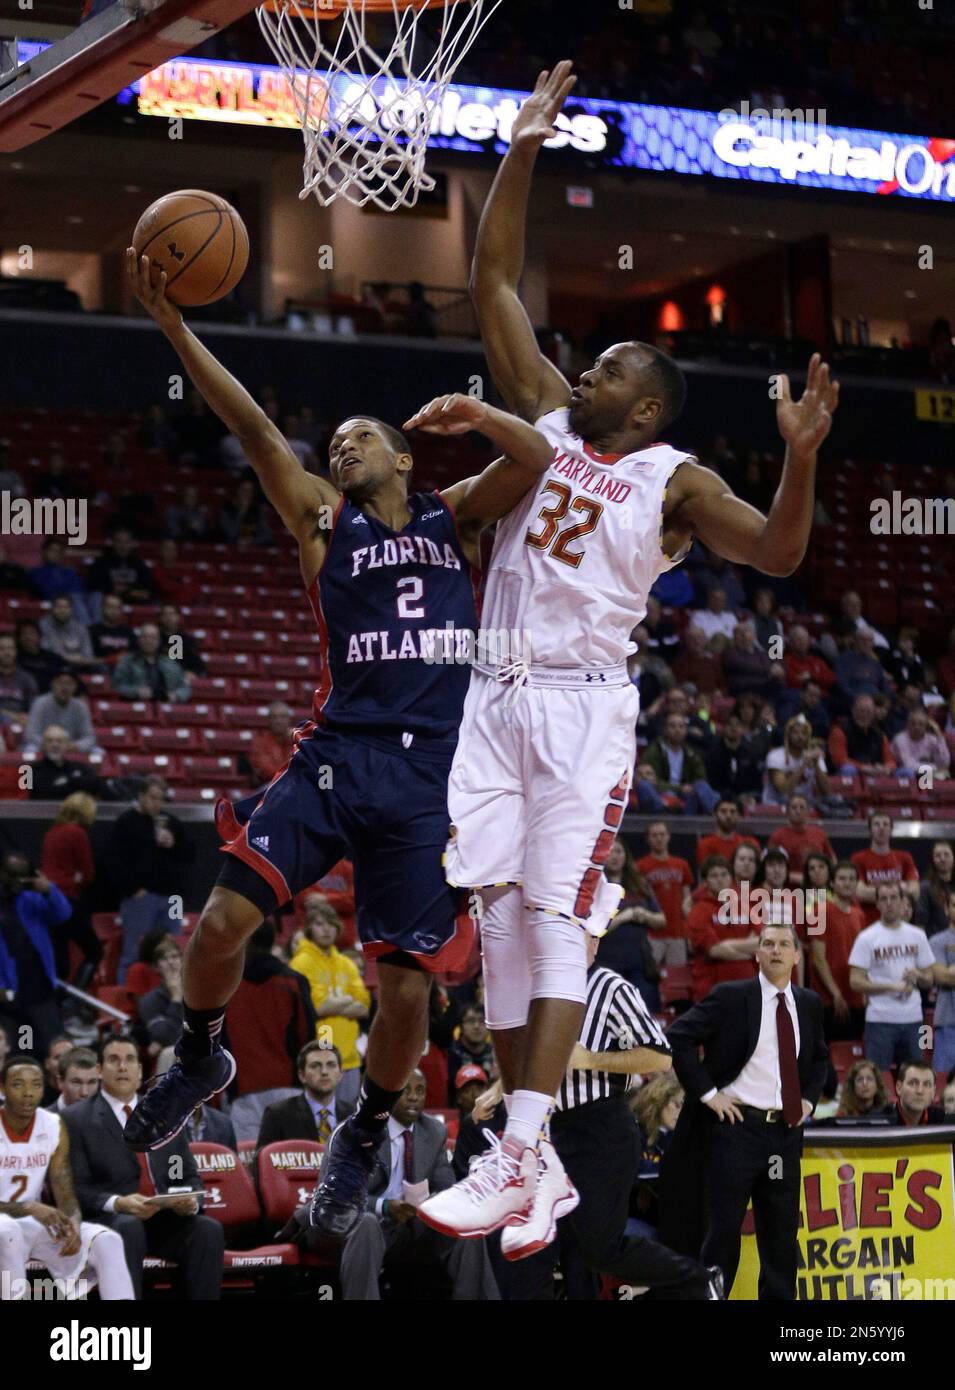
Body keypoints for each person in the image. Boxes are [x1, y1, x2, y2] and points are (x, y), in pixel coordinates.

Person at [121, 247, 560, 1260]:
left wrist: (483, 416)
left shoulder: (456, 514)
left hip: (426, 776)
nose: (343, 446)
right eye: (339, 440)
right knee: (224, 919)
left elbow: (540, 455)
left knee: (405, 989)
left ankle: (364, 1128)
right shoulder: (324, 522)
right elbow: (254, 427)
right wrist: (178, 327)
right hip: (334, 754)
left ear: (406, 457)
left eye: (363, 437)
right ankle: (198, 1052)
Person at [506, 933, 720, 1299]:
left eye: (581, 937)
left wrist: (591, 1058)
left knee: (599, 1248)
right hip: (546, 1130)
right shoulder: (537, 985)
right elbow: (525, 1056)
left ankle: (698, 1280)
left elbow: (659, 1056)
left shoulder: (610, 988)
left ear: (593, 943)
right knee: (529, 1247)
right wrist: (498, 1091)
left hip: (600, 1128)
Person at [664, 924, 828, 1298]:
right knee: (722, 1232)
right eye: (767, 944)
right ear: (756, 954)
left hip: (783, 1135)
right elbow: (678, 1038)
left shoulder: (808, 1003)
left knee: (782, 1235)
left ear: (797, 955)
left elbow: (819, 1059)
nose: (775, 950)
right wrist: (708, 1094)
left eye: (784, 944)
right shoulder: (731, 997)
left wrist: (808, 1101)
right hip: (735, 1131)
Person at [63, 1036, 224, 1300]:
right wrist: (118, 1203)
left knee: (207, 1230)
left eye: (129, 1060)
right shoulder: (76, 1119)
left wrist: (189, 1200)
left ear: (140, 1070)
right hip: (107, 1221)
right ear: (100, 1070)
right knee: (128, 1227)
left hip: (162, 1220)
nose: (123, 1067)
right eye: (114, 1060)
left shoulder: (165, 1114)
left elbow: (188, 1176)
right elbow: (75, 1188)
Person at [335, 1071, 499, 1300]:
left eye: (419, 1091)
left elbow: (447, 1188)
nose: (413, 1097)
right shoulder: (358, 1131)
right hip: (352, 1223)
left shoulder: (434, 1131)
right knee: (368, 1224)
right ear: (390, 1095)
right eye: (406, 1091)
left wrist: (434, 1202)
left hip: (409, 1227)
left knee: (465, 1225)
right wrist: (385, 1206)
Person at [0, 1055, 134, 1301]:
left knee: (108, 1240)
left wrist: (72, 1221)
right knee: (7, 1230)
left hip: (31, 1223)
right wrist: (28, 1207)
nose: (29, 1093)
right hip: (6, 1224)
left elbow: (64, 1189)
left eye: (36, 1084)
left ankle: (123, 1335)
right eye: (18, 1084)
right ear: (2, 1087)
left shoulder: (52, 1124)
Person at [226, 919, 317, 1143]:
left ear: (244, 941)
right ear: (274, 940)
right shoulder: (295, 981)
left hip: (243, 1090)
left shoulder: (226, 985)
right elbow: (309, 1035)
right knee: (291, 1164)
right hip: (289, 1087)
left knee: (249, 1169)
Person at [108, 777, 193, 983]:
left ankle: (171, 996)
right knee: (134, 952)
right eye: (152, 798)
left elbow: (190, 854)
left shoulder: (171, 822)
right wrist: (134, 889)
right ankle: (126, 1000)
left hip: (172, 898)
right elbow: (112, 860)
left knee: (173, 950)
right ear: (141, 796)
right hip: (142, 897)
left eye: (161, 799)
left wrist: (173, 844)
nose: (157, 804)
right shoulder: (126, 822)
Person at [289, 898, 369, 1109]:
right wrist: (347, 1002)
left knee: (349, 1117)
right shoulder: (302, 962)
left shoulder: (345, 963)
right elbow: (316, 1007)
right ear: (308, 929)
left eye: (331, 924)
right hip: (319, 1054)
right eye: (319, 924)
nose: (326, 929)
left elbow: (364, 1004)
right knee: (319, 1115)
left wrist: (334, 1003)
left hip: (350, 1059)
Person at [848, 881, 936, 1070]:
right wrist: (890, 986)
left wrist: (918, 975)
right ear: (877, 903)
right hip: (879, 1019)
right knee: (878, 1081)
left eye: (894, 898)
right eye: (884, 899)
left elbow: (930, 978)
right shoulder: (867, 937)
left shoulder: (917, 935)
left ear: (903, 901)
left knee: (915, 1077)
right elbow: (855, 981)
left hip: (913, 1019)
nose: (889, 903)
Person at [0, 853, 71, 1061]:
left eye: (23, 875)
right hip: (7, 994)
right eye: (13, 874)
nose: (18, 880)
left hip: (39, 985)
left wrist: (49, 889)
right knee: (13, 1052)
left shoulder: (32, 899)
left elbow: (63, 913)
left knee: (54, 1047)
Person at [40, 790, 102, 989]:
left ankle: (57, 999)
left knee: (58, 956)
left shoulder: (52, 832)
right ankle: (74, 1001)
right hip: (67, 900)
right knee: (94, 951)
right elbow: (88, 874)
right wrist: (77, 879)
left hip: (47, 899)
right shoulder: (77, 833)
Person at [686, 856, 759, 1002]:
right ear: (705, 882)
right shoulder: (699, 911)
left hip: (749, 988)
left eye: (724, 874)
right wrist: (747, 953)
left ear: (731, 878)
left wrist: (727, 945)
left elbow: (762, 941)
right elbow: (715, 951)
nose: (720, 879)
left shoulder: (745, 907)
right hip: (713, 992)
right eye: (714, 875)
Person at [257, 1041, 353, 1147]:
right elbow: (262, 1160)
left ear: (340, 1074)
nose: (324, 1072)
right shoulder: (278, 1114)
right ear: (301, 1075)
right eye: (315, 1066)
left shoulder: (354, 1115)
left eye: (331, 1065)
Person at [809, 860, 865, 1041]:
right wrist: (836, 993)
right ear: (832, 883)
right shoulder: (818, 911)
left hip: (855, 998)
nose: (847, 883)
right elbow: (818, 958)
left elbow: (863, 958)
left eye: (851, 879)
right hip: (830, 1000)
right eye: (841, 878)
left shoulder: (859, 915)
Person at [635, 821, 693, 961]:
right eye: (654, 835)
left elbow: (687, 899)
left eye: (662, 834)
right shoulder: (640, 867)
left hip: (678, 932)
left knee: (678, 977)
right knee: (651, 974)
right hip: (652, 933)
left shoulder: (682, 865)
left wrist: (689, 928)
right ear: (648, 839)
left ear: (668, 836)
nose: (659, 838)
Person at [851, 811, 920, 927]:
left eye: (885, 824)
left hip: (899, 924)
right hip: (868, 924)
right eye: (876, 824)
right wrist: (899, 890)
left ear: (891, 829)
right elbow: (860, 893)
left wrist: (872, 891)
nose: (881, 828)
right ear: (870, 830)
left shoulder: (904, 857)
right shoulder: (858, 858)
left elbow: (914, 893)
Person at [643, 712, 719, 814]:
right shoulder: (655, 750)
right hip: (662, 793)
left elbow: (701, 778)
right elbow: (652, 780)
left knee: (704, 787)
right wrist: (679, 789)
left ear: (686, 730)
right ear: (665, 730)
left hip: (686, 796)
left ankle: (716, 816)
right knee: (644, 785)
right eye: (672, 726)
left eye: (681, 726)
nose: (677, 730)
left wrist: (691, 788)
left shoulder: (690, 753)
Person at [22, 670, 97, 756]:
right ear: (53, 684)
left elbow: (89, 737)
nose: (64, 687)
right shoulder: (40, 703)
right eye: (60, 683)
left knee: (98, 753)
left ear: (75, 686)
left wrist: (76, 745)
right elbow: (31, 734)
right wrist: (49, 744)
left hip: (71, 747)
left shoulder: (81, 706)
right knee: (30, 750)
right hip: (45, 746)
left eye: (69, 684)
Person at [112, 622, 190, 704]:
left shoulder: (171, 663)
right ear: (138, 640)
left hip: (166, 706)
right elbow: (116, 686)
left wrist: (175, 695)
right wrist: (137, 691)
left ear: (159, 641)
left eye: (153, 638)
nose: (149, 641)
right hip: (135, 706)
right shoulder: (126, 661)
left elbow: (184, 688)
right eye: (145, 637)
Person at [767, 793, 835, 885]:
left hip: (816, 887)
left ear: (808, 811)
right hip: (788, 888)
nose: (798, 811)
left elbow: (832, 860)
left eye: (802, 808)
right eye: (794, 808)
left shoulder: (820, 834)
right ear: (787, 811)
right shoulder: (777, 836)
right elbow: (770, 867)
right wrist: (796, 877)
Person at [763, 715, 829, 808]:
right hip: (776, 805)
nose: (800, 736)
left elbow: (827, 791)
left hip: (804, 806)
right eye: (796, 733)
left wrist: (816, 765)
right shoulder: (775, 756)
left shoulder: (814, 756)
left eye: (804, 733)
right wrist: (803, 765)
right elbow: (782, 790)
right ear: (788, 735)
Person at [30, 725, 106, 801]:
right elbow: (24, 802)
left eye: (59, 741)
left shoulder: (83, 769)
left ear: (67, 745)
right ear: (43, 745)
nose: (55, 745)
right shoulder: (30, 771)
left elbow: (104, 791)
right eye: (50, 741)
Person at [87, 527, 156, 607]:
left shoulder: (139, 564)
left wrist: (127, 591)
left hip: (132, 597)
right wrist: (112, 588)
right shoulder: (101, 562)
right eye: (119, 542)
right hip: (108, 599)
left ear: (131, 544)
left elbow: (147, 591)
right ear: (113, 543)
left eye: (126, 542)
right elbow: (93, 585)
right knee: (96, 596)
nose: (123, 546)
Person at [828, 694, 896, 776]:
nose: (864, 715)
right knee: (848, 769)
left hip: (875, 773)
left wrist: (886, 768)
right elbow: (839, 760)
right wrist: (863, 767)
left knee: (905, 772)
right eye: (861, 711)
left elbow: (891, 761)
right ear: (853, 711)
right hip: (846, 776)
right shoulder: (839, 731)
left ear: (873, 714)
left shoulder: (880, 735)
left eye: (868, 712)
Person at [704, 714, 763, 804]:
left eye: (737, 725)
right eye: (730, 724)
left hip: (745, 797)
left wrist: (750, 797)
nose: (733, 728)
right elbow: (711, 784)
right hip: (719, 798)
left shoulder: (751, 753)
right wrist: (733, 797)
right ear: (724, 728)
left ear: (743, 729)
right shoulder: (713, 753)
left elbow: (757, 784)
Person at [929, 888, 955, 1075]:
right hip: (948, 1022)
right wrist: (947, 973)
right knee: (942, 1082)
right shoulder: (937, 941)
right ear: (947, 909)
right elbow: (941, 977)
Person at [447, 1004, 496, 1101]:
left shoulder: (496, 1056)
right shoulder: (449, 1055)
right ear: (461, 1026)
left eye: (482, 1021)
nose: (476, 1026)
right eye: (470, 1021)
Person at [695, 798, 759, 869]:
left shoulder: (750, 843)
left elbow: (750, 875)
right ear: (715, 815)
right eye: (723, 811)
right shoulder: (705, 845)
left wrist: (743, 880)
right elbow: (708, 875)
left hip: (742, 880)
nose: (728, 816)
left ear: (739, 816)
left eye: (732, 812)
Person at [879, 1059, 946, 1126]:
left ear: (934, 1091)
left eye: (927, 1084)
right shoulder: (881, 1120)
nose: (920, 1091)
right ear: (899, 1088)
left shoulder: (943, 1119)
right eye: (913, 1083)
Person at [38, 595, 95, 672]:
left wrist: (82, 660)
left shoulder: (80, 628)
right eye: (58, 607)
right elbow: (48, 651)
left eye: (66, 607)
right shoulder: (43, 625)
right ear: (52, 609)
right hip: (53, 666)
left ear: (72, 610)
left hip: (79, 666)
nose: (62, 610)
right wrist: (71, 658)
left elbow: (88, 654)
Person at [891, 706, 951, 776]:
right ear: (907, 725)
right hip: (904, 775)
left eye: (921, 724)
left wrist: (939, 736)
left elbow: (944, 763)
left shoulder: (932, 739)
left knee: (944, 774)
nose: (916, 727)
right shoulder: (900, 739)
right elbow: (908, 765)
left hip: (927, 774)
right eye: (913, 723)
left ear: (926, 726)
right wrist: (935, 767)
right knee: (908, 772)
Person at [914, 840, 955, 937]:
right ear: (933, 859)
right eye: (938, 855)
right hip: (935, 943)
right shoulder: (925, 887)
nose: (942, 859)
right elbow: (920, 923)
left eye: (946, 854)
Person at [249, 701, 294, 786]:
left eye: (283, 717)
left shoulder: (296, 740)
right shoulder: (260, 743)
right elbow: (266, 770)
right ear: (268, 720)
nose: (279, 721)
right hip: (269, 787)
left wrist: (290, 740)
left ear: (289, 719)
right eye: (274, 717)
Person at [15, 619, 63, 694]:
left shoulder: (53, 658)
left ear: (39, 636)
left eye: (32, 633)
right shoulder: (14, 658)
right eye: (24, 633)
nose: (28, 637)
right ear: (19, 638)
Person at [89, 594, 136, 668]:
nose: (114, 611)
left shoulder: (128, 631)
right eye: (110, 607)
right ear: (102, 608)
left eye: (117, 608)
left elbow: (134, 655)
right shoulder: (92, 631)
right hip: (100, 668)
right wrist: (110, 660)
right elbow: (88, 658)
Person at [48, 1046, 101, 1113]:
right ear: (60, 1082)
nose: (84, 1093)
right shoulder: (43, 1121)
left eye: (91, 1082)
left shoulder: (109, 1119)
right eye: (77, 1082)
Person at [0, 631, 38, 718]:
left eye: (10, 648)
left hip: (20, 724)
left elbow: (34, 709)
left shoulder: (27, 679)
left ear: (16, 651)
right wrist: (10, 715)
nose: (7, 653)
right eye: (2, 649)